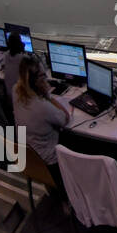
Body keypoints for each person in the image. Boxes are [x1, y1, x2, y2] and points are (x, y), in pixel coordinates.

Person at [12, 55, 70, 191]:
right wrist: (47, 95)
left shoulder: (15, 90)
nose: (45, 78)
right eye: (43, 75)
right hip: (50, 164)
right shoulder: (42, 106)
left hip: (29, 160)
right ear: (36, 81)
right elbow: (65, 118)